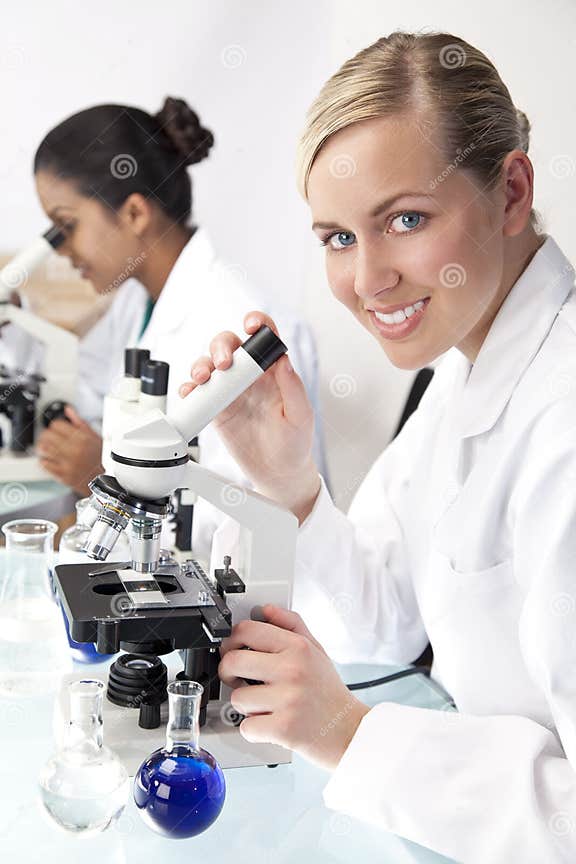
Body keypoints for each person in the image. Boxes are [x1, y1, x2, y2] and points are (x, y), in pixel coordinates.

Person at [181, 31, 576, 863]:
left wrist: (346, 731)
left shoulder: (562, 416)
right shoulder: (463, 369)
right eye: (337, 238)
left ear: (510, 192)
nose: (367, 281)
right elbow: (388, 624)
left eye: (406, 219)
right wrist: (289, 481)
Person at [32, 98, 327, 556]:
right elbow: (84, 390)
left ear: (134, 214)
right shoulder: (137, 299)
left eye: (66, 226)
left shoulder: (242, 327)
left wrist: (104, 471)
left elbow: (266, 520)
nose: (60, 249)